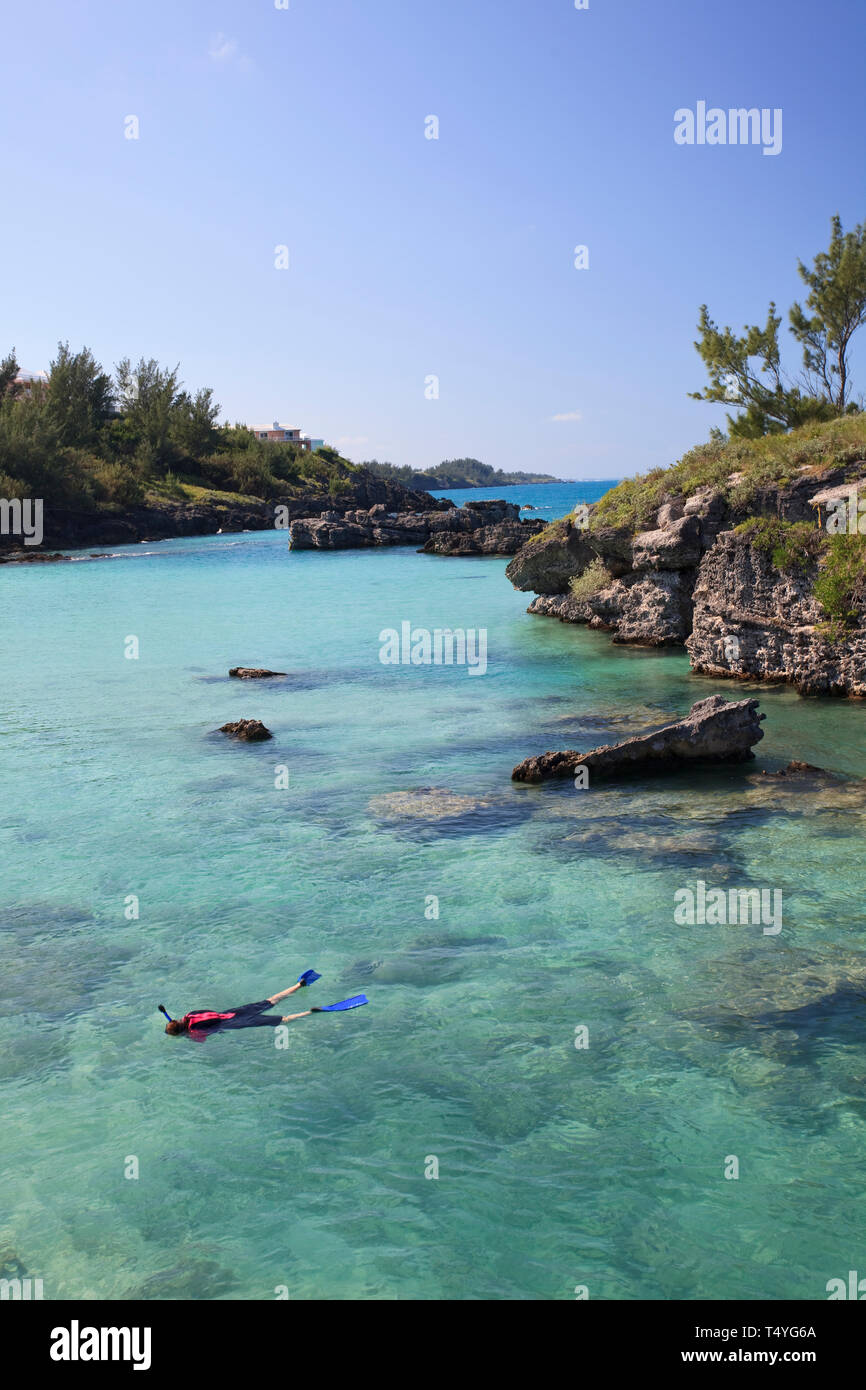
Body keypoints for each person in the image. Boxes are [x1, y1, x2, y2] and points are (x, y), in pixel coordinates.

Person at [160, 970, 323, 1042]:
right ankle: (298, 985)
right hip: (233, 1013)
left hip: (236, 1023)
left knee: (283, 1020)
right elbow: (209, 1013)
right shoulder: (191, 1013)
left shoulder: (194, 1032)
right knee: (271, 1000)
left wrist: (188, 1037)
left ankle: (310, 1012)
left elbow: (204, 1037)